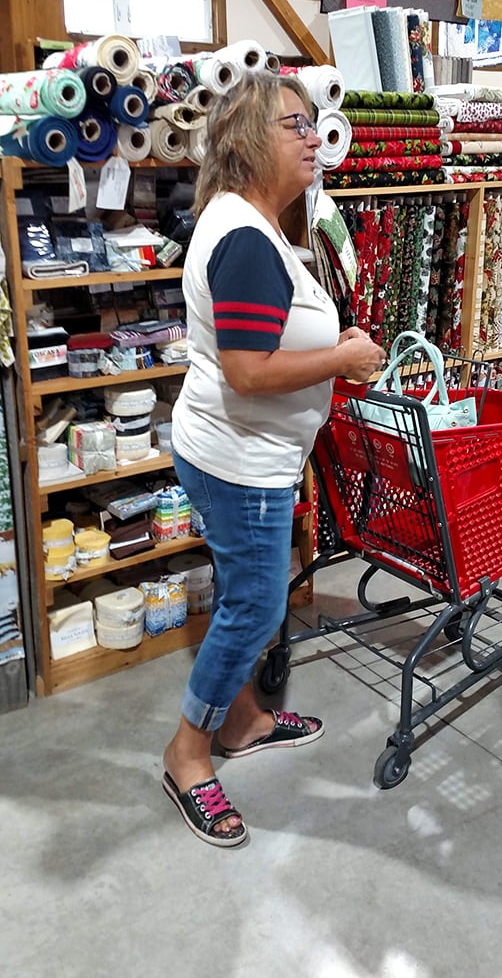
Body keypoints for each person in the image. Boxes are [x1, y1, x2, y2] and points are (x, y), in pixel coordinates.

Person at [163, 72, 385, 846]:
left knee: (243, 595)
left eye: (314, 122)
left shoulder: (246, 222)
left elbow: (254, 350)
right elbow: (249, 371)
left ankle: (243, 721)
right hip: (241, 461)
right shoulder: (249, 239)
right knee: (256, 606)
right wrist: (343, 358)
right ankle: (189, 752)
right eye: (295, 124)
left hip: (237, 451)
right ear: (250, 139)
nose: (314, 136)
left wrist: (330, 351)